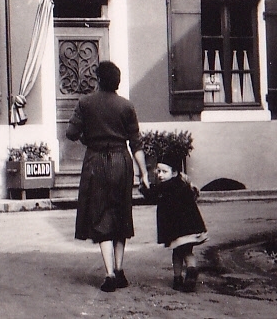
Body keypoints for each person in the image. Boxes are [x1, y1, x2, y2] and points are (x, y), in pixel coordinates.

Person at [65, 60, 150, 292]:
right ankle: (120, 270)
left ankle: (110, 274)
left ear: (99, 80)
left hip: (97, 161)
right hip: (122, 161)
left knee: (101, 215)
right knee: (121, 214)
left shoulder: (85, 103)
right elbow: (136, 143)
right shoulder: (127, 106)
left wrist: (87, 137)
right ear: (117, 82)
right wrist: (144, 174)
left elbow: (71, 132)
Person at [144, 161, 208, 291]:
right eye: (158, 171)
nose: (160, 175)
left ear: (174, 173)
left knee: (177, 252)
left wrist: (144, 185)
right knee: (187, 251)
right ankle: (191, 270)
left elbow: (151, 196)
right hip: (191, 228)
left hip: (177, 230)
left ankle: (178, 278)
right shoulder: (183, 184)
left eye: (164, 172)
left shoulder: (164, 186)